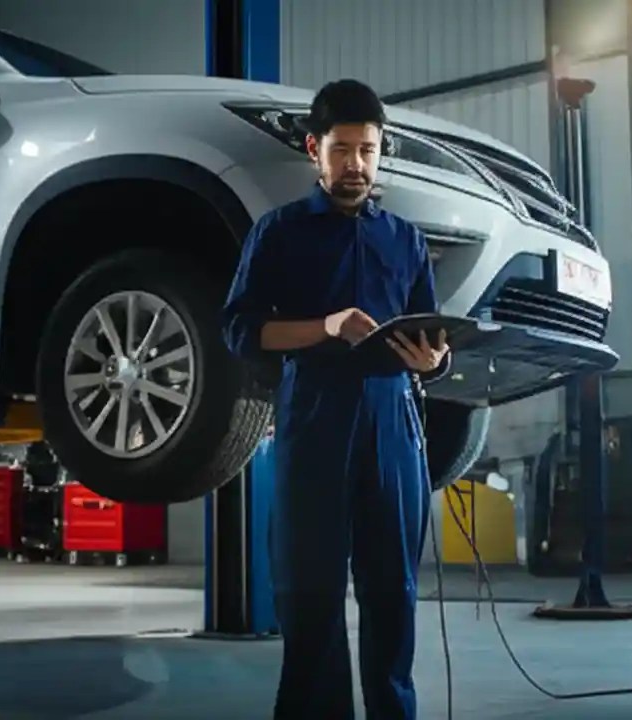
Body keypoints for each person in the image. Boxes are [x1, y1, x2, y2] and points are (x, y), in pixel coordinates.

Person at [221, 78, 450, 720]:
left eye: (368, 151)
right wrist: (323, 326)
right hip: (315, 418)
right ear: (314, 149)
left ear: (381, 153)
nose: (356, 164)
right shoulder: (279, 233)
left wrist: (435, 361)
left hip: (393, 422)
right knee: (311, 591)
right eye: (343, 149)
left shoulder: (405, 240)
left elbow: (430, 332)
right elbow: (239, 329)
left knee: (392, 591)